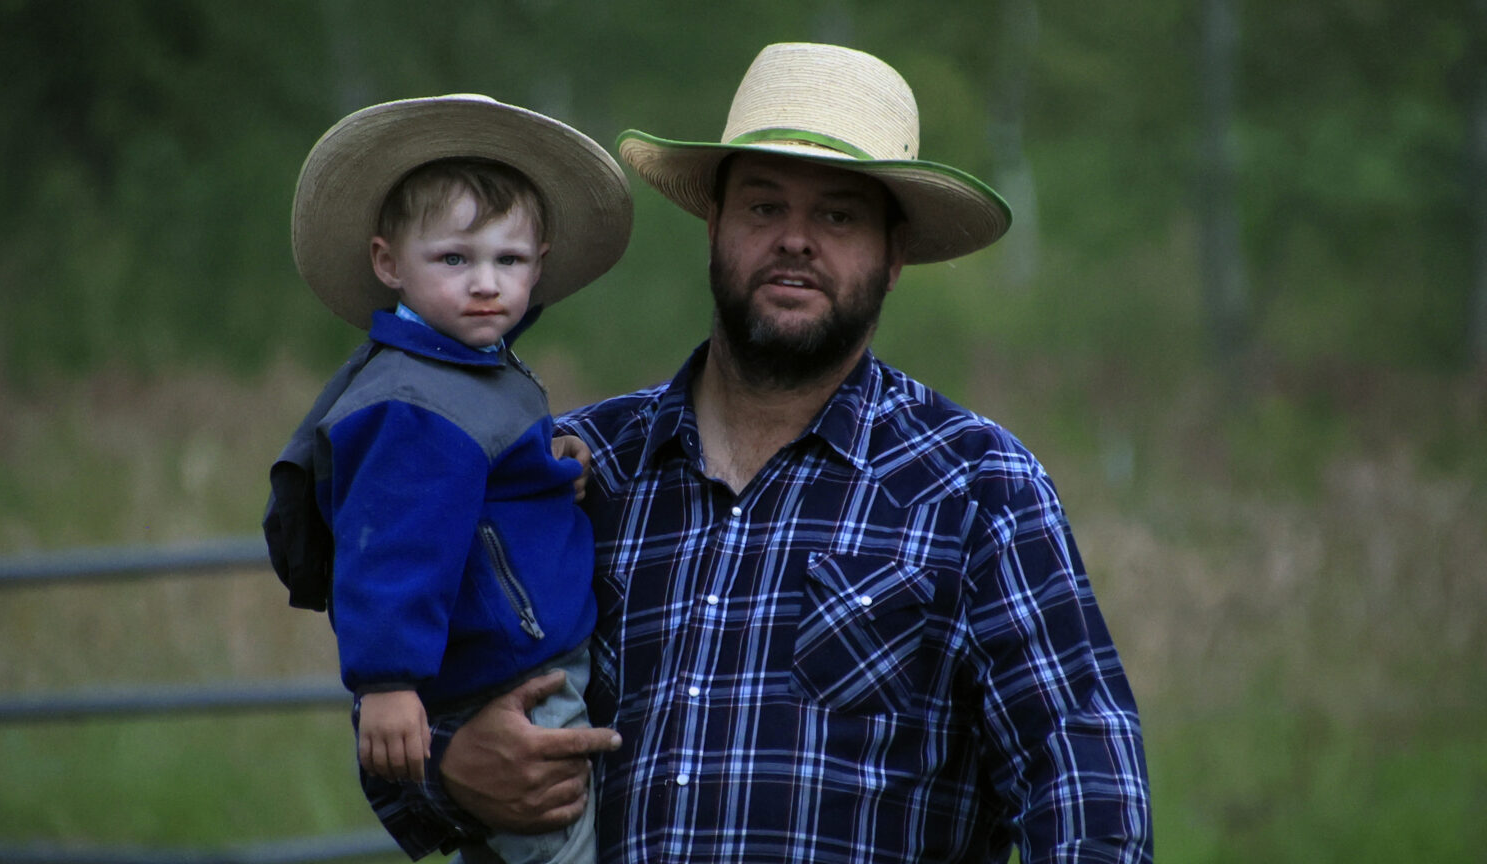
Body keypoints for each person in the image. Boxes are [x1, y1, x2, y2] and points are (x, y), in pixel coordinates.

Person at [436, 43, 1153, 862]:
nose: (796, 241)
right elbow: (411, 659)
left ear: (893, 255)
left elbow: (1089, 793)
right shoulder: (578, 465)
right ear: (714, 225)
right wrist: (447, 768)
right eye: (764, 207)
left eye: (838, 216)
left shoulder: (976, 488)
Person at [268, 94, 632, 863]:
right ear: (387, 262)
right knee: (556, 838)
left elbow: (480, 492)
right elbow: (391, 542)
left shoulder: (473, 371)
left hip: (523, 657)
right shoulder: (412, 401)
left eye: (509, 261)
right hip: (509, 676)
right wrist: (388, 681)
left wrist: (545, 463)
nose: (485, 284)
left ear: (538, 265)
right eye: (454, 260)